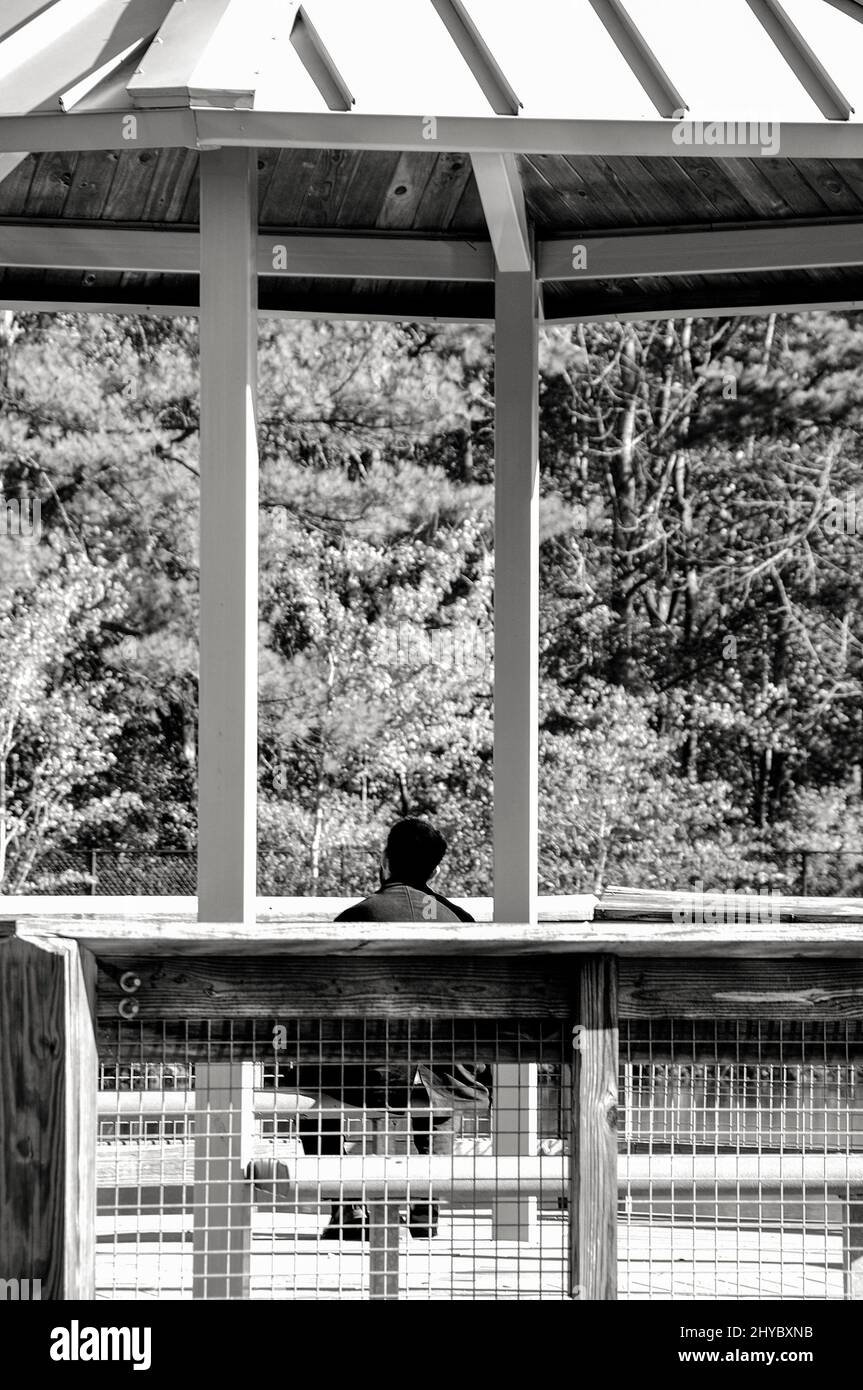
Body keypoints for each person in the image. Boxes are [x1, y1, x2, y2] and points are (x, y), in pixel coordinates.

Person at [298, 818, 492, 1240]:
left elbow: (328, 995)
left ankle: (347, 1212)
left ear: (386, 860)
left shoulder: (359, 916)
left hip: (370, 1065)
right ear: (434, 870)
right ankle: (425, 1214)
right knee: (438, 1114)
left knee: (316, 1118)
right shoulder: (459, 920)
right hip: (439, 1067)